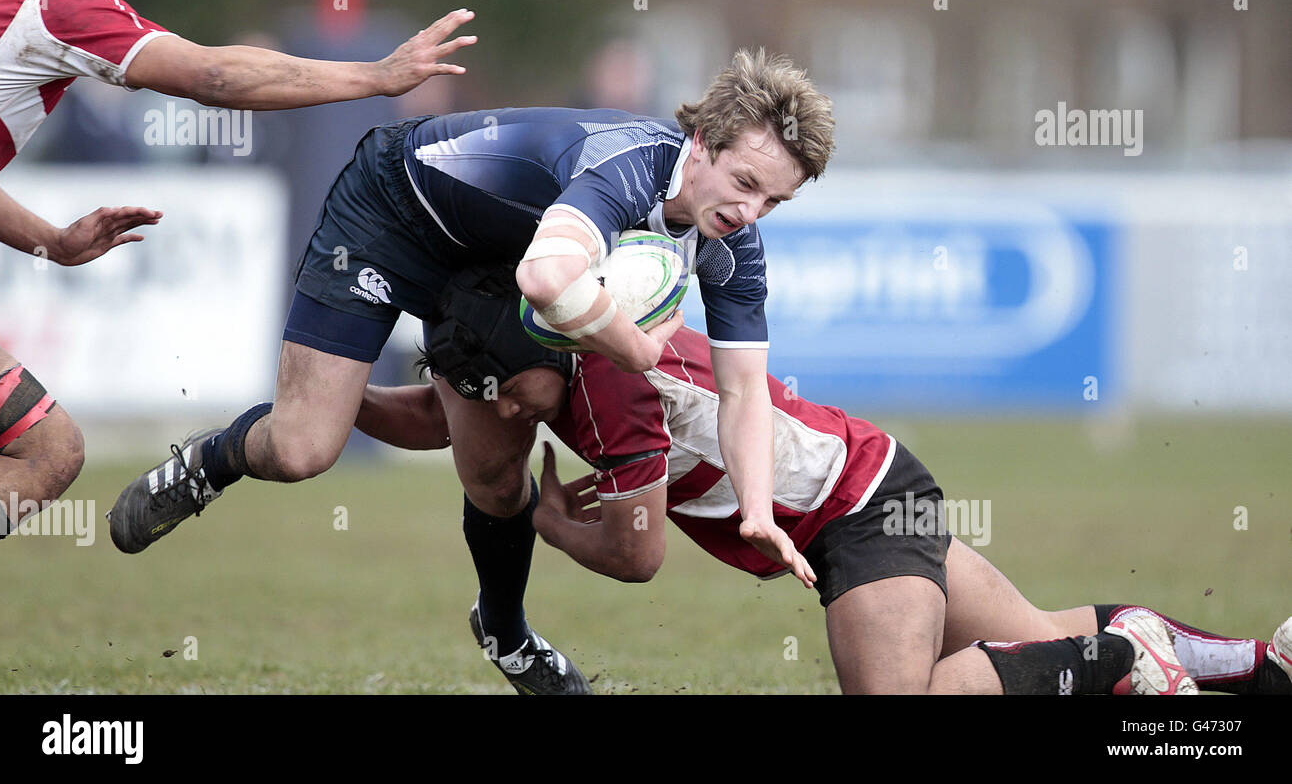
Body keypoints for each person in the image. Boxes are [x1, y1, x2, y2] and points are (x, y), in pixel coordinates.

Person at [106, 48, 836, 694]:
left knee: (492, 471)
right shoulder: (624, 167)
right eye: (745, 182)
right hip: (394, 209)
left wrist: (760, 511)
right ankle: (212, 460)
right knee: (302, 449)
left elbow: (742, 390)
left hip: (495, 258)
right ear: (701, 142)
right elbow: (550, 278)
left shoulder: (735, 245)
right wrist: (636, 348)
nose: (752, 211)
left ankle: (506, 631)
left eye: (775, 199)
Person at [355, 269, 1292, 695]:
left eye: (512, 394)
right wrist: (327, 396)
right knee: (1041, 648)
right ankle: (1260, 666)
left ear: (546, 354)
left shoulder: (612, 389)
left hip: (857, 514)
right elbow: (438, 415)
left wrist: (549, 521)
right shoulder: (544, 355)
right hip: (878, 476)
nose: (506, 415)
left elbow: (638, 558)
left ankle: (1128, 665)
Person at [0, 0, 475, 545]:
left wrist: (54, 242)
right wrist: (375, 77)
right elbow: (210, 76)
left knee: (49, 451)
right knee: (47, 453)